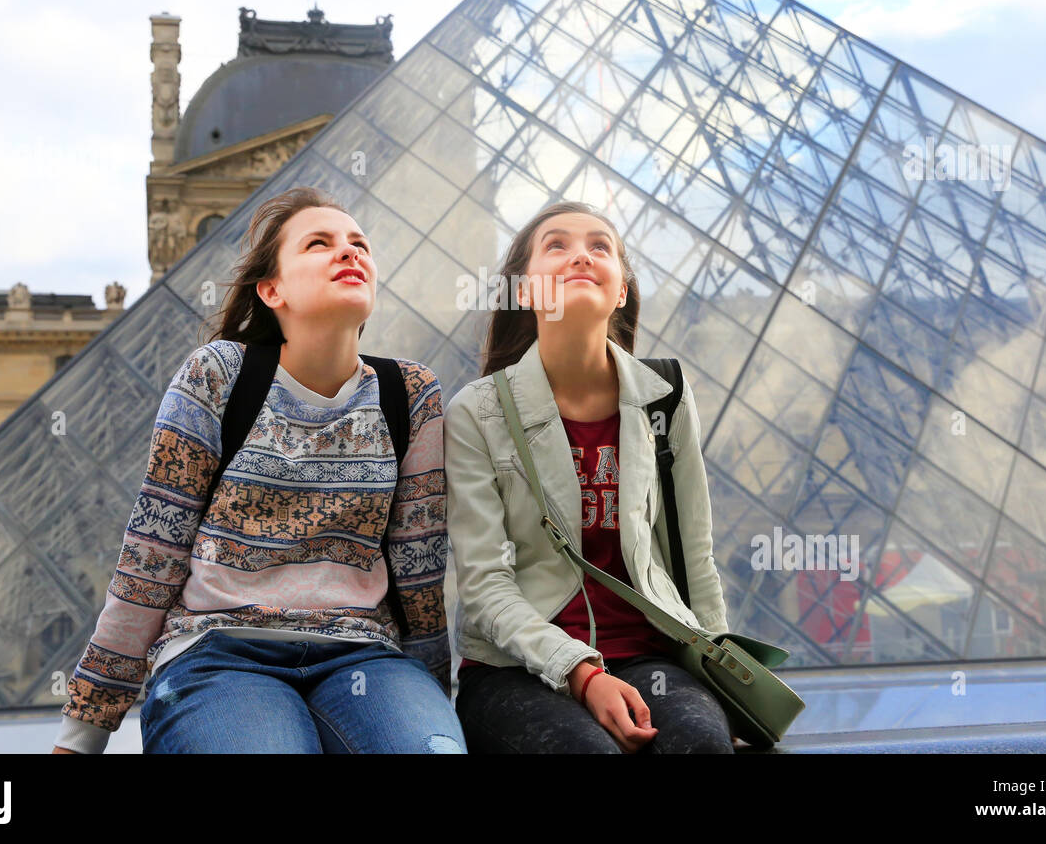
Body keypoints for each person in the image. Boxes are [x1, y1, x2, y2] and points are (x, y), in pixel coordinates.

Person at [52, 186, 465, 754]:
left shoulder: (411, 393)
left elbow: (420, 572)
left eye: (359, 244)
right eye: (319, 243)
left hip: (365, 655)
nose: (349, 253)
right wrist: (84, 732)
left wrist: (434, 702)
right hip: (219, 651)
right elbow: (153, 554)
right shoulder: (217, 375)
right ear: (271, 290)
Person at [445, 201, 737, 754]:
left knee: (702, 747)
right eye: (556, 245)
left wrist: (724, 673)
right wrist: (582, 672)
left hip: (650, 656)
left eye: (600, 246)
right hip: (516, 666)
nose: (581, 254)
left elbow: (693, 556)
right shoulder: (476, 412)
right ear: (525, 292)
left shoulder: (666, 395)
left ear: (620, 291)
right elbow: (484, 585)